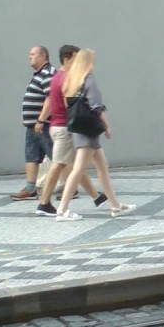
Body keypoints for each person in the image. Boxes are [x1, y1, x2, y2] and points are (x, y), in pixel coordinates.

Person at [54, 48, 135, 221]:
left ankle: (115, 205)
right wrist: (107, 125)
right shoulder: (88, 79)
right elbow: (96, 106)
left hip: (79, 128)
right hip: (89, 130)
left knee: (102, 168)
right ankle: (62, 210)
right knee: (78, 169)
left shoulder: (71, 80)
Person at [32, 45, 106, 217]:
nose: (78, 62)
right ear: (66, 59)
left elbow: (50, 101)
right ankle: (44, 203)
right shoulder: (66, 78)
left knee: (74, 166)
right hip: (63, 128)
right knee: (58, 165)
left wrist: (42, 120)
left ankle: (97, 197)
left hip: (58, 126)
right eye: (75, 58)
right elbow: (69, 105)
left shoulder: (57, 76)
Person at [12, 46, 55, 200]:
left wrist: (41, 120)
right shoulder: (38, 74)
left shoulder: (48, 74)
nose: (29, 57)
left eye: (32, 54)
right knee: (31, 157)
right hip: (33, 125)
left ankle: (72, 188)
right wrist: (27, 116)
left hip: (44, 125)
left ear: (43, 56)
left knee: (57, 157)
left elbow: (50, 99)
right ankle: (30, 189)